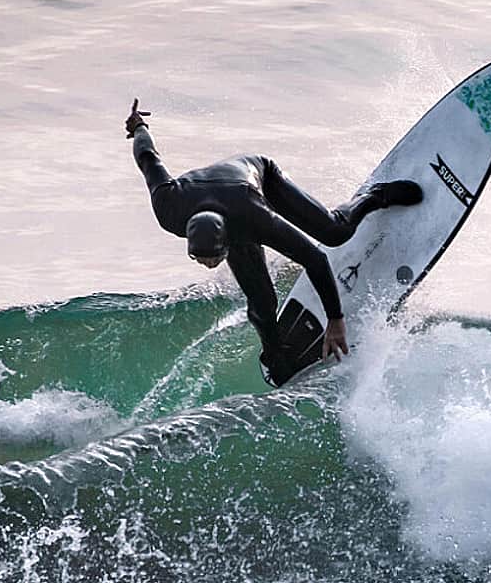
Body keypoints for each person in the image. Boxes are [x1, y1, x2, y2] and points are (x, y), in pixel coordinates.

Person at [124, 99, 422, 384]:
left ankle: (376, 196)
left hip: (258, 179)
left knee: (333, 233)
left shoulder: (254, 216)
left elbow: (314, 259)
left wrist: (335, 319)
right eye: (200, 259)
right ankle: (274, 354)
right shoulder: (168, 206)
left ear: (224, 242)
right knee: (262, 302)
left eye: (212, 258)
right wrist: (139, 127)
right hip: (227, 209)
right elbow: (148, 158)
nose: (207, 265)